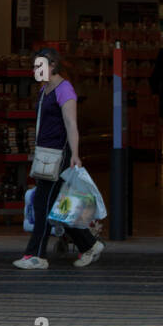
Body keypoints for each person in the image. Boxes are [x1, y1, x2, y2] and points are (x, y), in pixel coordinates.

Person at [13, 48, 105, 270]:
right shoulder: (45, 89)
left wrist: (75, 154)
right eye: (34, 66)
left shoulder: (65, 90)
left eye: (39, 66)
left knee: (42, 203)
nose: (35, 70)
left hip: (59, 156)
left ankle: (36, 255)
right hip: (47, 155)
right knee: (57, 207)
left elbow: (71, 124)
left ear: (52, 65)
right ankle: (90, 245)